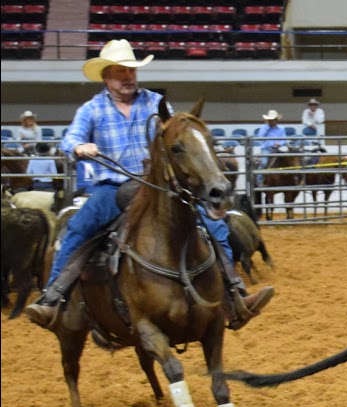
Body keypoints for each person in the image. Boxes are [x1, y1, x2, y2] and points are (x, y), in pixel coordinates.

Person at [25, 39, 271, 330]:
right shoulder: (91, 110)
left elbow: (178, 132)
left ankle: (234, 294)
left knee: (215, 224)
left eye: (131, 71)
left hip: (157, 186)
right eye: (120, 72)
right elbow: (70, 140)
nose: (127, 77)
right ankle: (52, 298)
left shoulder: (155, 103)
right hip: (112, 188)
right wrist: (79, 147)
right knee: (78, 229)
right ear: (106, 77)